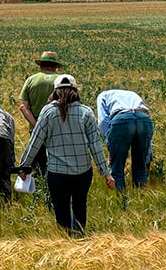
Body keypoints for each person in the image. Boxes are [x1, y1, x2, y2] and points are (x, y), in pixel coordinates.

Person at [17, 75, 113, 236]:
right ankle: (79, 237)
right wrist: (106, 173)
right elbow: (96, 145)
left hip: (57, 173)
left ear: (55, 92)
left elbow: (35, 141)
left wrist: (24, 166)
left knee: (61, 210)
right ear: (75, 91)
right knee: (80, 206)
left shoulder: (47, 112)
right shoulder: (86, 112)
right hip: (83, 172)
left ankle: (65, 240)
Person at [96, 88, 155, 193]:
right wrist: (147, 157)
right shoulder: (133, 93)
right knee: (140, 166)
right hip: (144, 118)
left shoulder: (102, 96)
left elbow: (103, 121)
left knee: (117, 167)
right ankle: (140, 200)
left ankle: (121, 203)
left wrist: (111, 145)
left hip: (121, 118)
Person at [18, 51, 63, 176]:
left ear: (41, 65)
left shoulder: (31, 80)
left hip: (35, 126)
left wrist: (37, 124)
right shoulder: (60, 80)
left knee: (37, 162)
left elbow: (23, 107)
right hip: (57, 126)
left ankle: (37, 188)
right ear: (55, 66)